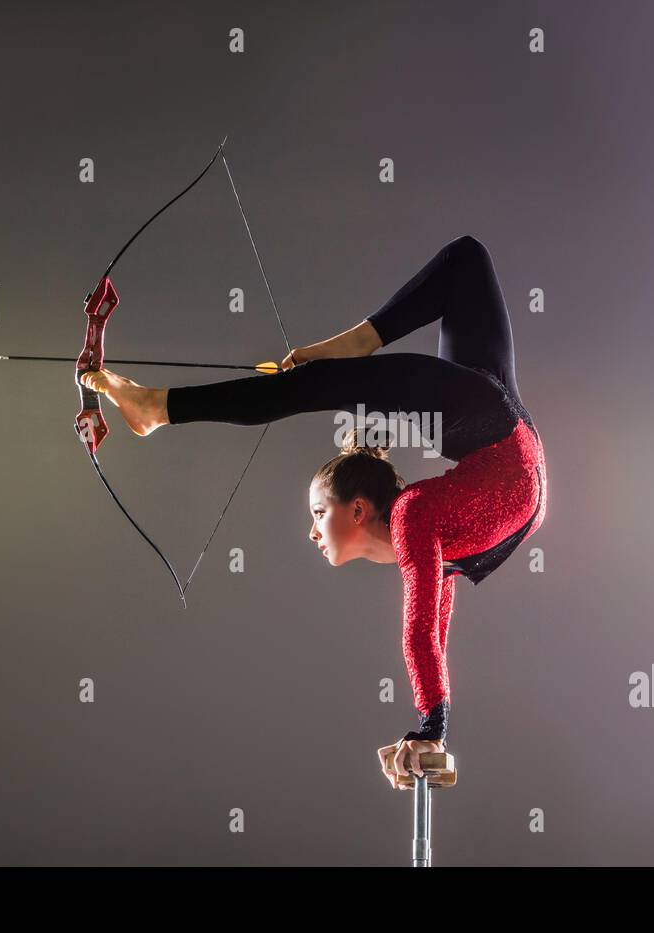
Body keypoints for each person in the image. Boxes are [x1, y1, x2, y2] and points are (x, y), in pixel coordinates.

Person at [82, 235, 547, 790]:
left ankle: (163, 407)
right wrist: (433, 726)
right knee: (333, 367)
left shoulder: (416, 518)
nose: (311, 530)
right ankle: (159, 408)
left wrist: (432, 723)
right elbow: (431, 622)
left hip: (496, 430)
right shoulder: (421, 523)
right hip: (502, 432)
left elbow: (422, 623)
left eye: (315, 512)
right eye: (316, 513)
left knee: (456, 268)